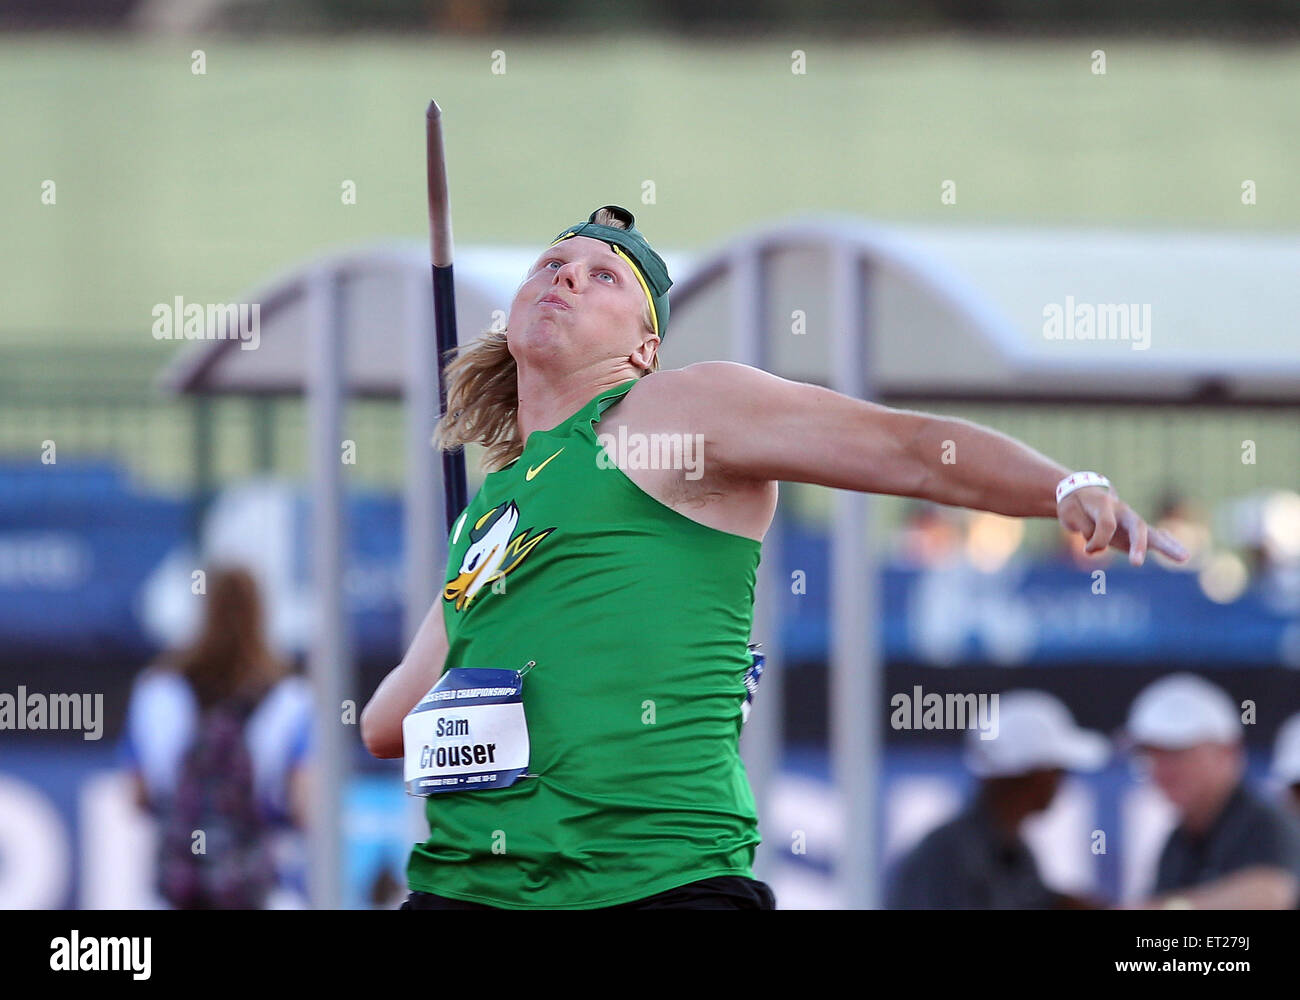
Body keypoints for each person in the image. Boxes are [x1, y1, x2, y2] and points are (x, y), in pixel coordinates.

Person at [360, 204, 1189, 911]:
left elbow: (900, 447)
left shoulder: (668, 412)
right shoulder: (488, 514)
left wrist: (1061, 484)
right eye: (552, 263)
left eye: (603, 275)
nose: (567, 276)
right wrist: (488, 658)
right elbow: (386, 724)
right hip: (472, 887)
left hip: (651, 884)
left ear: (645, 348)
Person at [120, 564, 313, 909]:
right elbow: (303, 807)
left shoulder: (156, 689)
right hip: (256, 893)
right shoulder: (291, 697)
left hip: (176, 893)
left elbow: (137, 795)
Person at [886, 690, 1109, 909]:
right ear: (1032, 773)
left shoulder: (1014, 853)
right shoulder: (943, 857)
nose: (1061, 782)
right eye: (1059, 770)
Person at [1122, 673, 1300, 909]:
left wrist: (1171, 907)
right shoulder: (1179, 841)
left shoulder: (1265, 823)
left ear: (1228, 752)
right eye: (1151, 754)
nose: (1162, 769)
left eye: (1177, 752)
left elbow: (1271, 895)